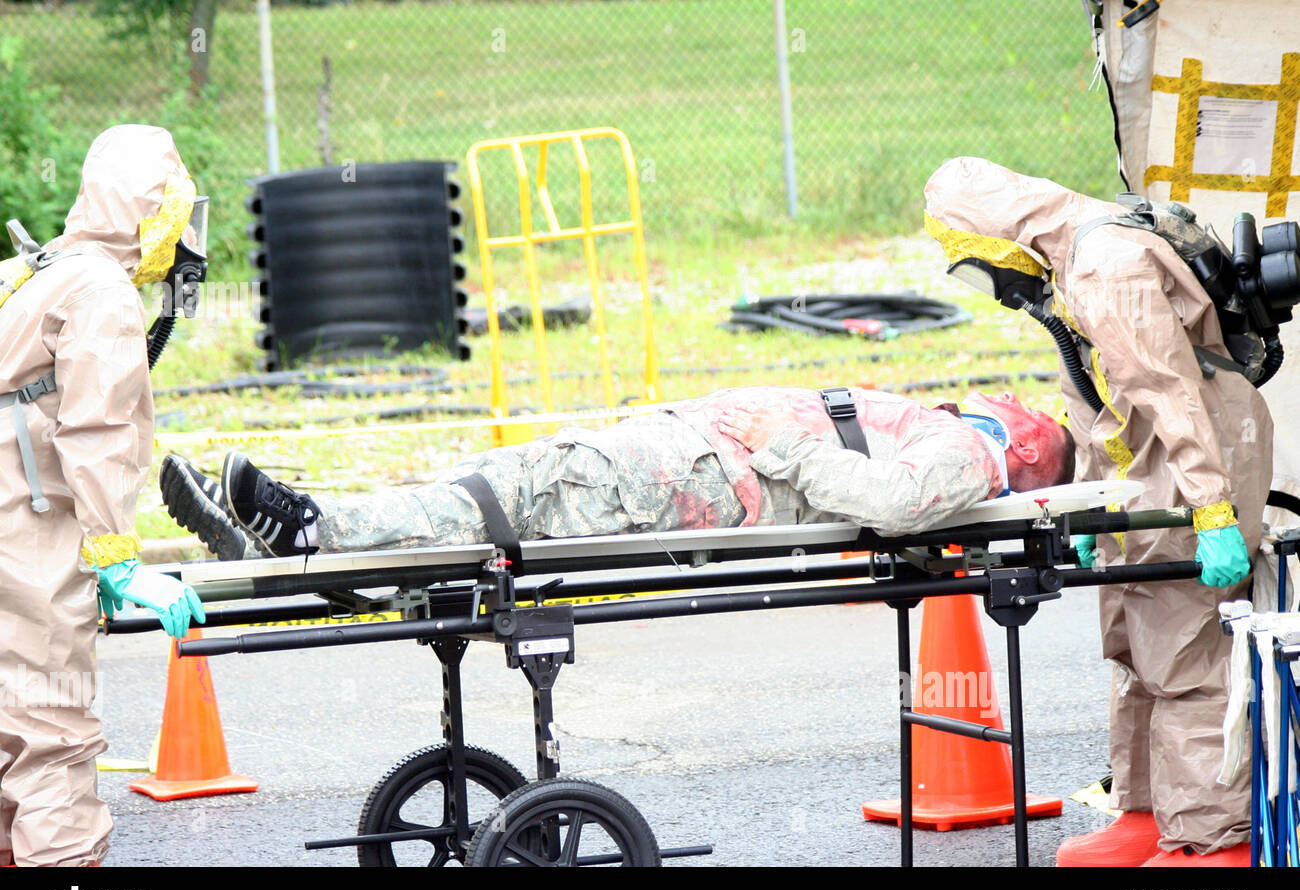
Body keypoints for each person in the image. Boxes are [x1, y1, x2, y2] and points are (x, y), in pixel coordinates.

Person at [925, 156, 1273, 867]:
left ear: (1003, 237)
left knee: (1185, 654)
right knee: (1131, 646)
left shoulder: (1105, 265)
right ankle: (1147, 814)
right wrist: (1085, 508)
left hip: (1195, 457)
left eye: (979, 269)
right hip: (1143, 469)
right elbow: (1094, 406)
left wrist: (1211, 509)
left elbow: (1169, 391)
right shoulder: (1070, 267)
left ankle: (1211, 841)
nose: (992, 291)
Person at [160, 386, 1074, 562]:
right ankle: (291, 531)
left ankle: (308, 529)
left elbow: (895, 504)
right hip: (688, 456)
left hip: (708, 472)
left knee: (505, 497)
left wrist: (781, 443)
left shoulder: (973, 455)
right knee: (498, 481)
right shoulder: (954, 432)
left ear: (1028, 447)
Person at [0, 125, 208, 867]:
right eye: (177, 217)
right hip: (26, 525)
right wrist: (118, 558)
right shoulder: (102, 292)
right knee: (51, 735)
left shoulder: (37, 269)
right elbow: (97, 431)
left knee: (5, 728)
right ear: (151, 214)